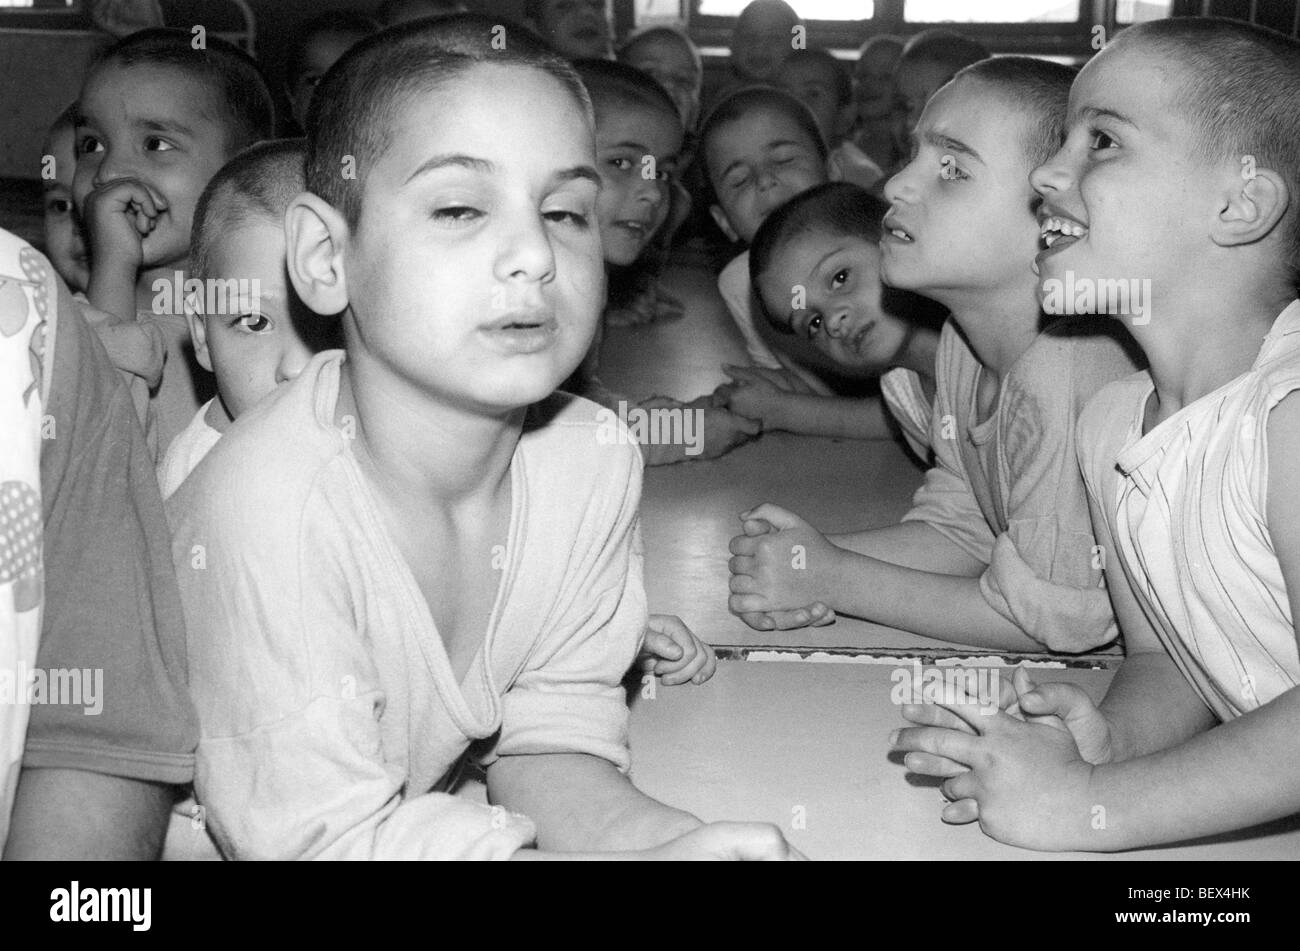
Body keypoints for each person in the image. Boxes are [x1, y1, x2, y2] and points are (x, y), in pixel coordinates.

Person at [167, 15, 790, 860]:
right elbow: (322, 847)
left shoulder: (590, 457)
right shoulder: (265, 509)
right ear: (324, 257)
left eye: (567, 211)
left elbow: (551, 746)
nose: (533, 252)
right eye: (460, 206)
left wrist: (670, 843)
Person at [898, 17, 1300, 852]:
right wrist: (1102, 747)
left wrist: (1094, 808)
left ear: (1241, 203)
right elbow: (1172, 665)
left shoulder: (1288, 417)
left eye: (1103, 141)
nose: (1048, 171)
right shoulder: (1112, 421)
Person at [728, 57, 1141, 652]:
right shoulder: (960, 349)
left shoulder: (1069, 369)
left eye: (950, 167)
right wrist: (804, 556)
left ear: (1057, 203)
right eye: (911, 155)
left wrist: (839, 579)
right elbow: (964, 527)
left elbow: (1059, 623)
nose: (895, 185)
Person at [72, 28, 275, 457]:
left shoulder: (279, 315)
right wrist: (113, 270)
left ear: (244, 169)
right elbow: (93, 453)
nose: (108, 172)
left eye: (156, 143)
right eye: (91, 144)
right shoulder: (68, 322)